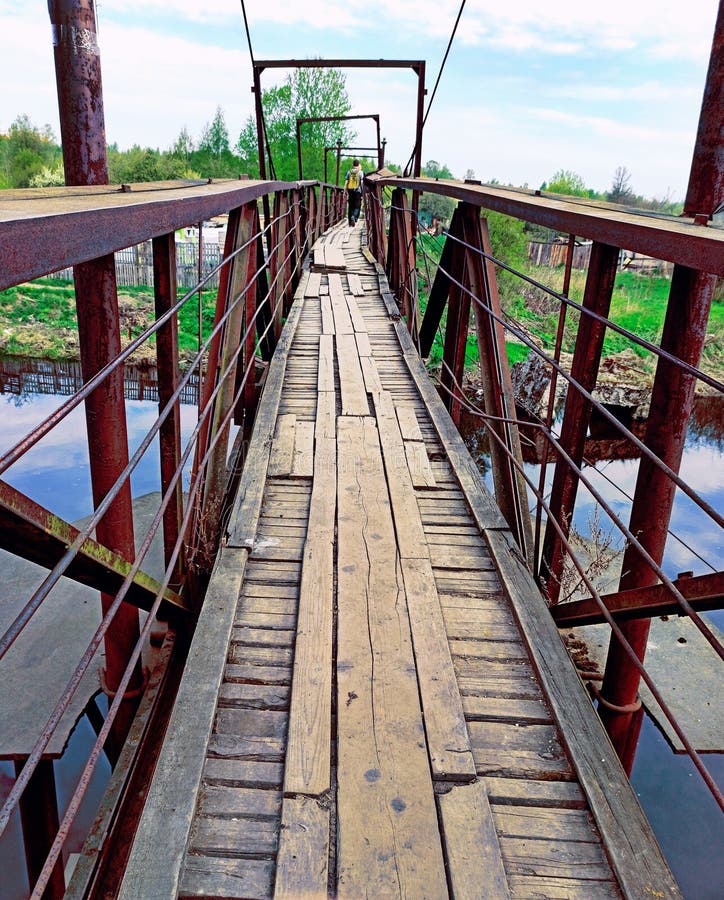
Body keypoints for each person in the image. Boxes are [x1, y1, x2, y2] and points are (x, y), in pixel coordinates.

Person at [344, 159, 364, 227]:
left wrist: (345, 191)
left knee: (351, 206)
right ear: (358, 165)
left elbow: (346, 182)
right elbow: (361, 183)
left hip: (350, 190)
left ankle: (350, 222)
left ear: (353, 165)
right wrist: (363, 192)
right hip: (358, 191)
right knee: (357, 206)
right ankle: (354, 217)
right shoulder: (360, 172)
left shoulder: (349, 172)